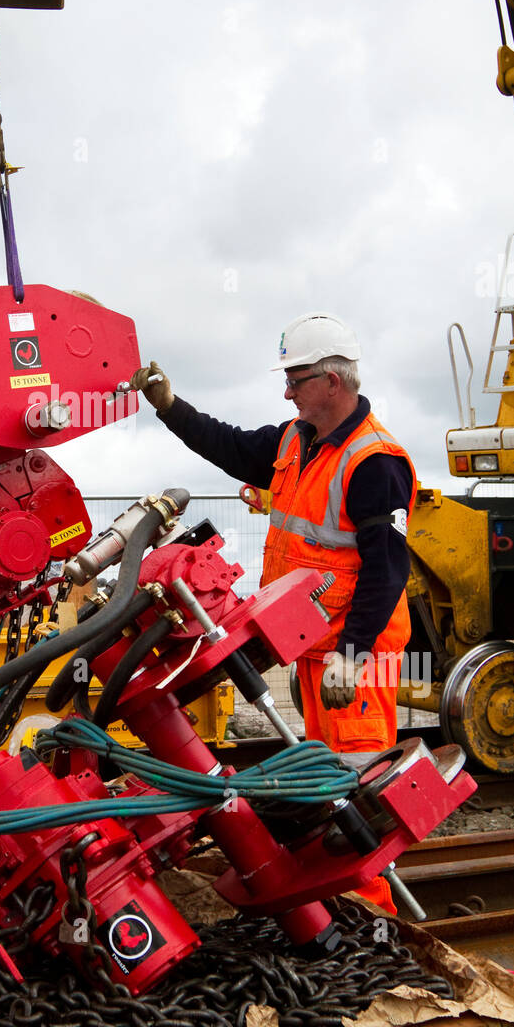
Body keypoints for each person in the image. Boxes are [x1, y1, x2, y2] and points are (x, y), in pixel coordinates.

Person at [131, 313, 417, 914]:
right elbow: (230, 445)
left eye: (298, 379)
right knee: (325, 782)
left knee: (354, 788)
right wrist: (170, 406)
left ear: (334, 382)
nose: (287, 391)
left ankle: (373, 920)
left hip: (354, 659)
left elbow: (387, 569)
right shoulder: (296, 440)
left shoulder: (375, 462)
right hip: (314, 646)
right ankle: (342, 901)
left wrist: (354, 652)